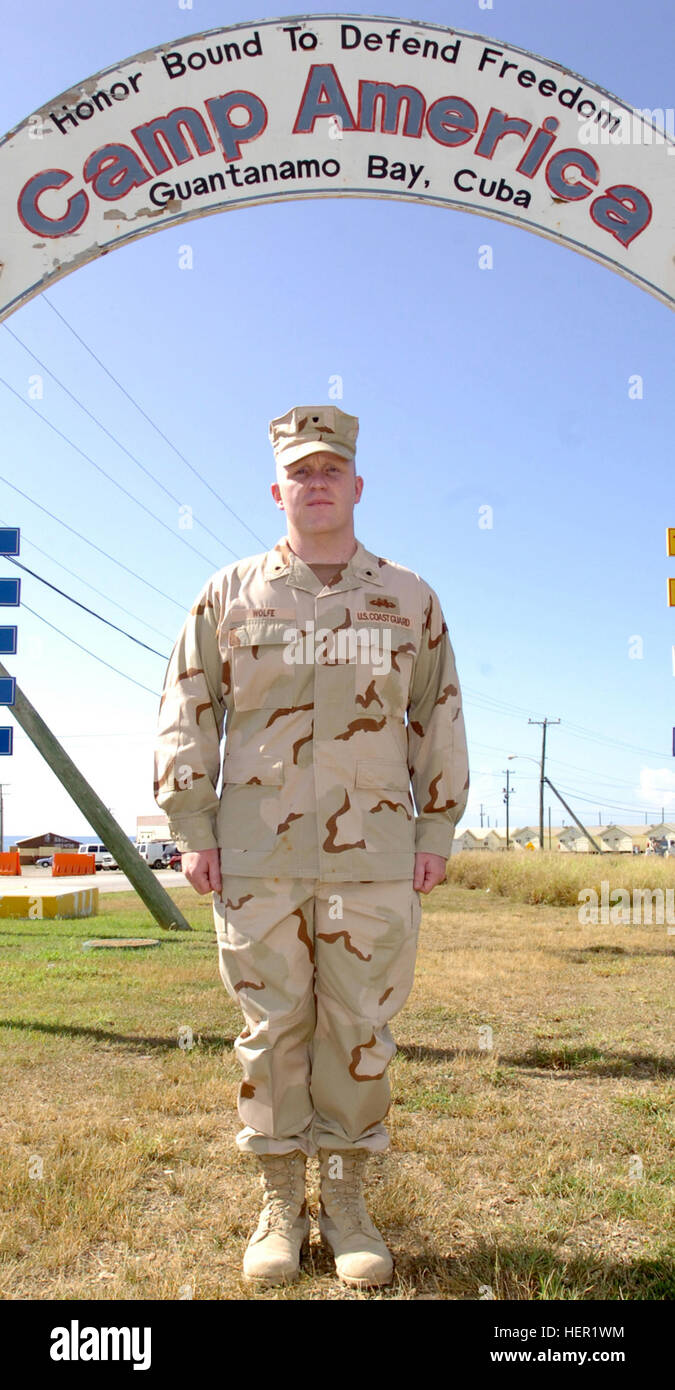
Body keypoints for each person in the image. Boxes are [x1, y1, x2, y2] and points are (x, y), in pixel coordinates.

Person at [154, 404, 469, 1290]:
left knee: (359, 1030)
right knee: (272, 1030)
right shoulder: (228, 594)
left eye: (330, 469)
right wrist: (191, 827)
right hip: (256, 855)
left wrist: (435, 827)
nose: (316, 482)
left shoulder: (407, 598)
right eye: (301, 471)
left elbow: (436, 715)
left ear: (357, 484)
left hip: (372, 853)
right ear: (276, 489)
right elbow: (188, 710)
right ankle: (278, 1209)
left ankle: (347, 1202)